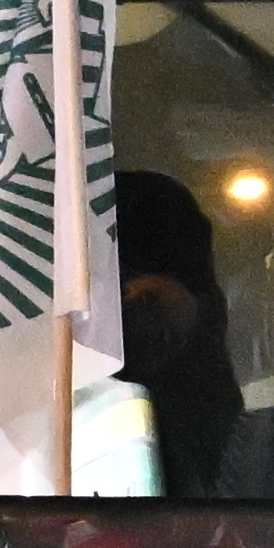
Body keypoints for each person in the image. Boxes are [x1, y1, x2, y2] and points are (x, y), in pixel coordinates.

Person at [112, 171, 246, 486]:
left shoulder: (190, 423)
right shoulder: (156, 205)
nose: (135, 322)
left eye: (156, 338)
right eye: (145, 303)